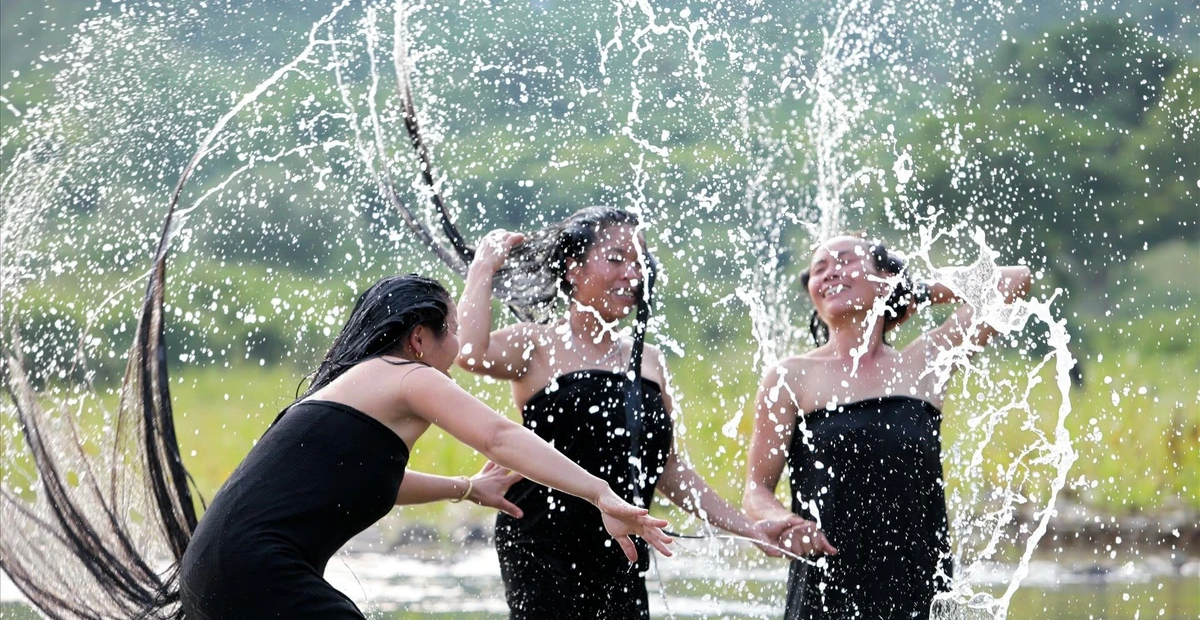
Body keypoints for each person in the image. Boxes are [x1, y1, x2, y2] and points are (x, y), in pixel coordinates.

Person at [177, 274, 674, 619]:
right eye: (453, 330)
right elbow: (500, 436)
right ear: (419, 339)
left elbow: (371, 483)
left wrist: (467, 488)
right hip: (258, 568)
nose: (458, 346)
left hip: (215, 570)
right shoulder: (408, 376)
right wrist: (600, 493)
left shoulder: (365, 386)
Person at [455, 206, 792, 620]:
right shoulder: (536, 344)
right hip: (542, 544)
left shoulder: (648, 360)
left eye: (638, 262)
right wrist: (484, 267)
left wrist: (749, 528)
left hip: (624, 545)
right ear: (574, 270)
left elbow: (667, 469)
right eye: (616, 259)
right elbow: (469, 353)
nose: (631, 274)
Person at [742, 235, 1032, 620]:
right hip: (826, 589)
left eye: (845, 261)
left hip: (919, 588)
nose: (830, 274)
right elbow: (756, 489)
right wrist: (784, 521)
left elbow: (1014, 280)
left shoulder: (926, 361)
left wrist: (918, 291)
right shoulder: (790, 377)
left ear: (886, 278)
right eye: (819, 269)